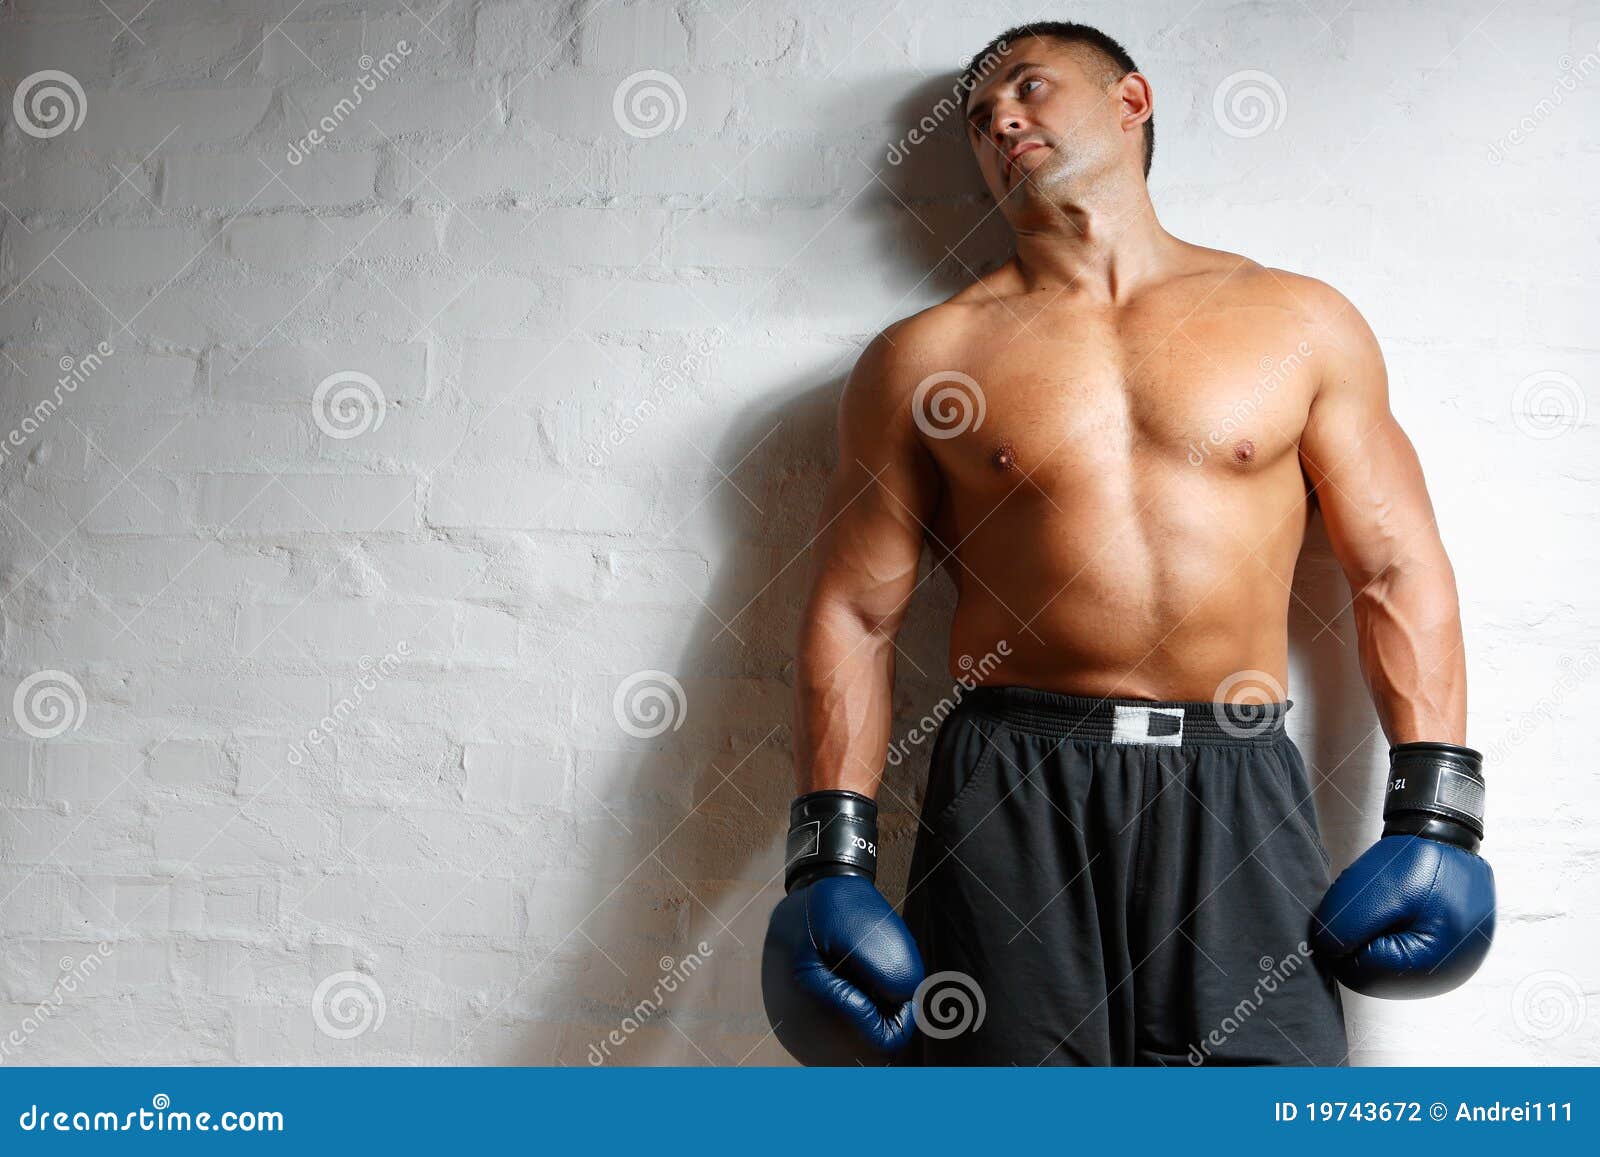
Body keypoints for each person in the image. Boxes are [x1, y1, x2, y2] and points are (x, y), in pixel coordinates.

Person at [761, 21, 1494, 1066]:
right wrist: (827, 858)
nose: (999, 119)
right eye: (977, 117)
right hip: (1012, 780)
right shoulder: (926, 356)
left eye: (1027, 87)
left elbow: (1394, 565)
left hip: (1232, 769)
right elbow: (854, 610)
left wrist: (1439, 813)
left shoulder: (1298, 321)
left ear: (1131, 101)